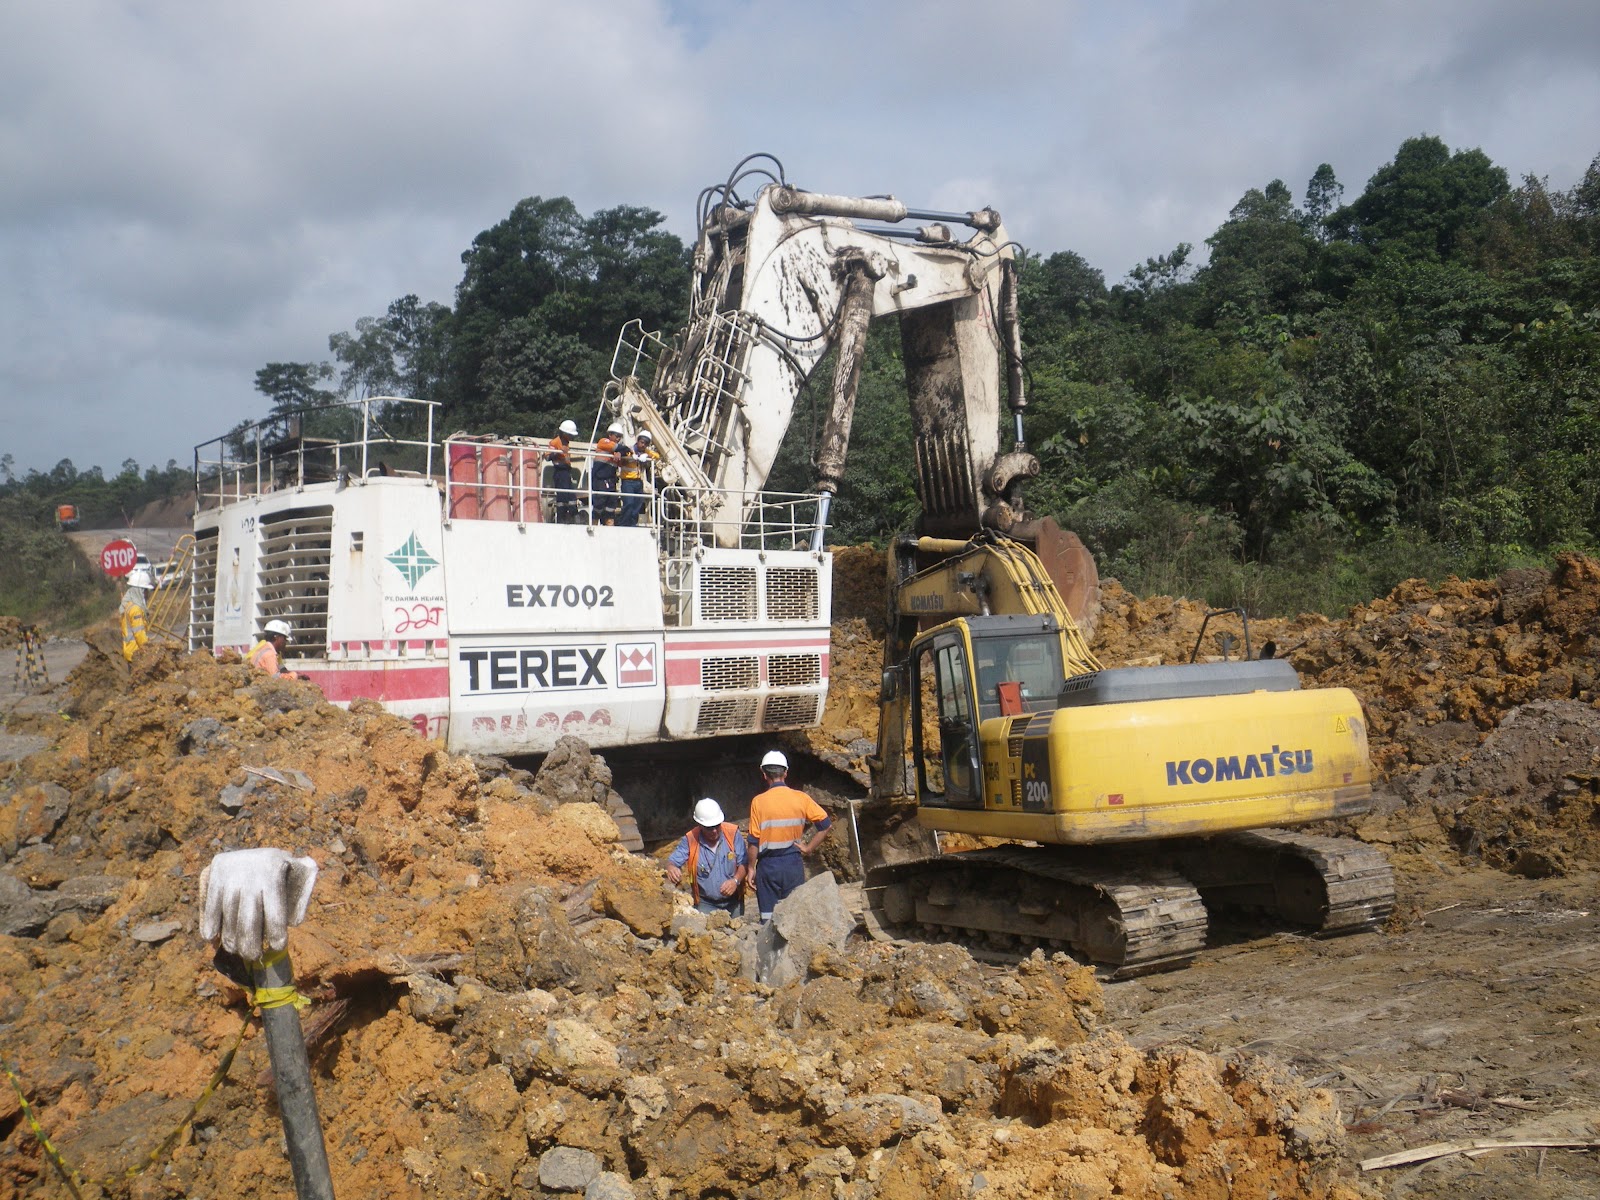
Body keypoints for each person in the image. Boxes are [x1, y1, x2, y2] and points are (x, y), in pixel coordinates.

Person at [746, 750, 832, 921]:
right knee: (793, 918)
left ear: (764, 774)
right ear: (785, 772)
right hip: (793, 864)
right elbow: (825, 825)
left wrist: (750, 868)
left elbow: (754, 842)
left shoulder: (758, 802)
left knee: (769, 919)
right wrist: (808, 848)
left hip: (768, 867)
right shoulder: (801, 798)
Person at [665, 798, 749, 918]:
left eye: (717, 826)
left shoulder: (732, 834)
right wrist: (671, 868)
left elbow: (744, 863)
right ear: (700, 825)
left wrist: (735, 881)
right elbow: (672, 862)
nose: (714, 831)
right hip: (706, 904)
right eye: (709, 828)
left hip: (734, 902)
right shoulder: (691, 839)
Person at [618, 429, 658, 527]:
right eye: (642, 442)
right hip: (627, 481)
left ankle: (632, 524)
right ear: (638, 441)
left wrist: (647, 455)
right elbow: (621, 456)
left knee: (637, 505)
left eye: (646, 444)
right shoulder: (629, 450)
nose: (643, 445)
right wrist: (631, 457)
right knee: (629, 503)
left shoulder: (645, 451)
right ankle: (624, 524)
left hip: (638, 482)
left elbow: (657, 456)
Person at [591, 422, 624, 524]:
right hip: (600, 479)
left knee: (611, 505)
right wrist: (620, 451)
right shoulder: (603, 442)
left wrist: (620, 452)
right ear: (610, 435)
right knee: (599, 504)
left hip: (611, 480)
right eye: (617, 436)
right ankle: (594, 525)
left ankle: (609, 526)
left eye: (620, 437)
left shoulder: (616, 450)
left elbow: (625, 451)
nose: (618, 439)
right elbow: (621, 448)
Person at [548, 420, 580, 524]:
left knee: (571, 496)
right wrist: (559, 452)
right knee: (563, 497)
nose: (572, 437)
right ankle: (563, 519)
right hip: (560, 472)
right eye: (570, 435)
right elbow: (548, 456)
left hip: (566, 472)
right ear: (564, 433)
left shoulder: (566, 442)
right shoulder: (555, 442)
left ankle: (574, 517)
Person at [119, 565, 153, 662]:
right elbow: (139, 634)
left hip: (132, 652)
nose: (147, 594)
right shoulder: (136, 610)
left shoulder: (129, 606)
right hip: (136, 654)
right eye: (146, 591)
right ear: (140, 591)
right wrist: (149, 651)